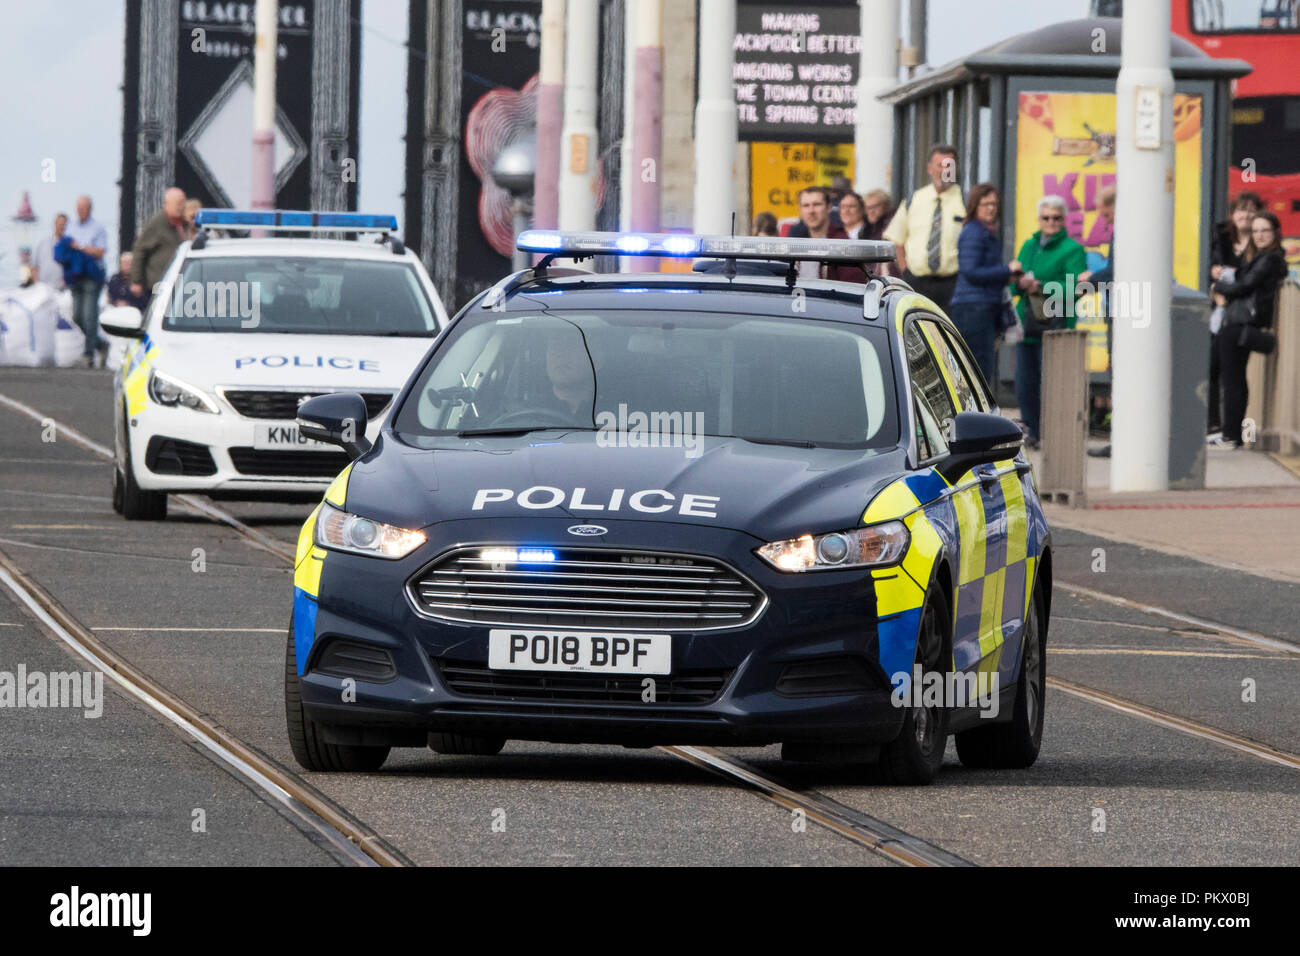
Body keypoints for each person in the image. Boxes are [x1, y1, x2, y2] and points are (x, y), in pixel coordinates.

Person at [1010, 195, 1088, 450]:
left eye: (1056, 217)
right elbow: (1014, 283)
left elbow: (1079, 287)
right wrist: (1019, 281)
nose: (1051, 222)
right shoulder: (1029, 246)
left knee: (1054, 384)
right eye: (1046, 218)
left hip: (1056, 325)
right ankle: (1032, 431)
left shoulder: (1073, 249)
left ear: (1064, 220)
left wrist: (1042, 286)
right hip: (1027, 323)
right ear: (1039, 219)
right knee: (1025, 382)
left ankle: (1055, 434)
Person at [1212, 210, 1287, 449]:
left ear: (1275, 233)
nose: (1259, 235)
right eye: (1255, 231)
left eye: (1265, 230)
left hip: (1241, 325)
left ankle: (1230, 435)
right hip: (1238, 324)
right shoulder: (1260, 257)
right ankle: (1229, 432)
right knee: (1229, 377)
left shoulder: (1270, 259)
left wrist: (1218, 286)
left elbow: (1244, 286)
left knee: (1231, 380)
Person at [949, 184, 1020, 386]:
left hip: (982, 305)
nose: (991, 208)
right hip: (973, 308)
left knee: (981, 367)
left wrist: (1006, 277)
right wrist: (1007, 270)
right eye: (986, 204)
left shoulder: (985, 231)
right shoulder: (974, 232)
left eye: (995, 204)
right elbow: (970, 271)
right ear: (975, 205)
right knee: (977, 370)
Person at [884, 144, 965, 313]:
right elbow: (897, 238)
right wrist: (905, 271)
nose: (944, 170)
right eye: (940, 165)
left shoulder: (966, 201)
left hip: (953, 284)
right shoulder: (914, 199)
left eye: (948, 165)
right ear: (929, 168)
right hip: (917, 281)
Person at [1206, 194, 1262, 437]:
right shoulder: (1222, 239)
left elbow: (1252, 280)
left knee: (1235, 373)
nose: (1245, 216)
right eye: (1240, 210)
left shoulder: (1260, 243)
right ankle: (1214, 425)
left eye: (1250, 211)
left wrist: (1226, 282)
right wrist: (1215, 279)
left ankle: (1232, 430)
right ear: (1232, 214)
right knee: (1211, 369)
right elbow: (1212, 272)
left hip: (1242, 315)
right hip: (1219, 312)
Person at [60, 196, 109, 367]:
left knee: (90, 316)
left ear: (90, 209)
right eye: (78, 208)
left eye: (84, 208)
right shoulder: (71, 227)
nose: (81, 211)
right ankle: (101, 345)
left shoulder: (98, 228)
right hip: (76, 275)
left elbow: (101, 252)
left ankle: (88, 355)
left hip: (92, 276)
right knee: (77, 316)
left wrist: (81, 247)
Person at [786, 186, 862, 282]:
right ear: (800, 210)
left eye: (817, 204)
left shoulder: (842, 243)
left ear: (829, 207)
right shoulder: (795, 242)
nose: (811, 211)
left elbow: (854, 289)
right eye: (806, 205)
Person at [131, 187, 188, 301]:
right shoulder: (157, 223)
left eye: (183, 203)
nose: (181, 207)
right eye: (178, 203)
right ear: (167, 204)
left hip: (180, 283)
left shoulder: (184, 224)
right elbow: (140, 250)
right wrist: (136, 281)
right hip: (159, 284)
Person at [32, 213, 68, 291]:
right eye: (60, 224)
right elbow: (34, 266)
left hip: (62, 289)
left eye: (64, 224)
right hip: (42, 289)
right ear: (55, 224)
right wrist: (37, 285)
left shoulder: (70, 245)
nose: (62, 226)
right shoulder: (43, 242)